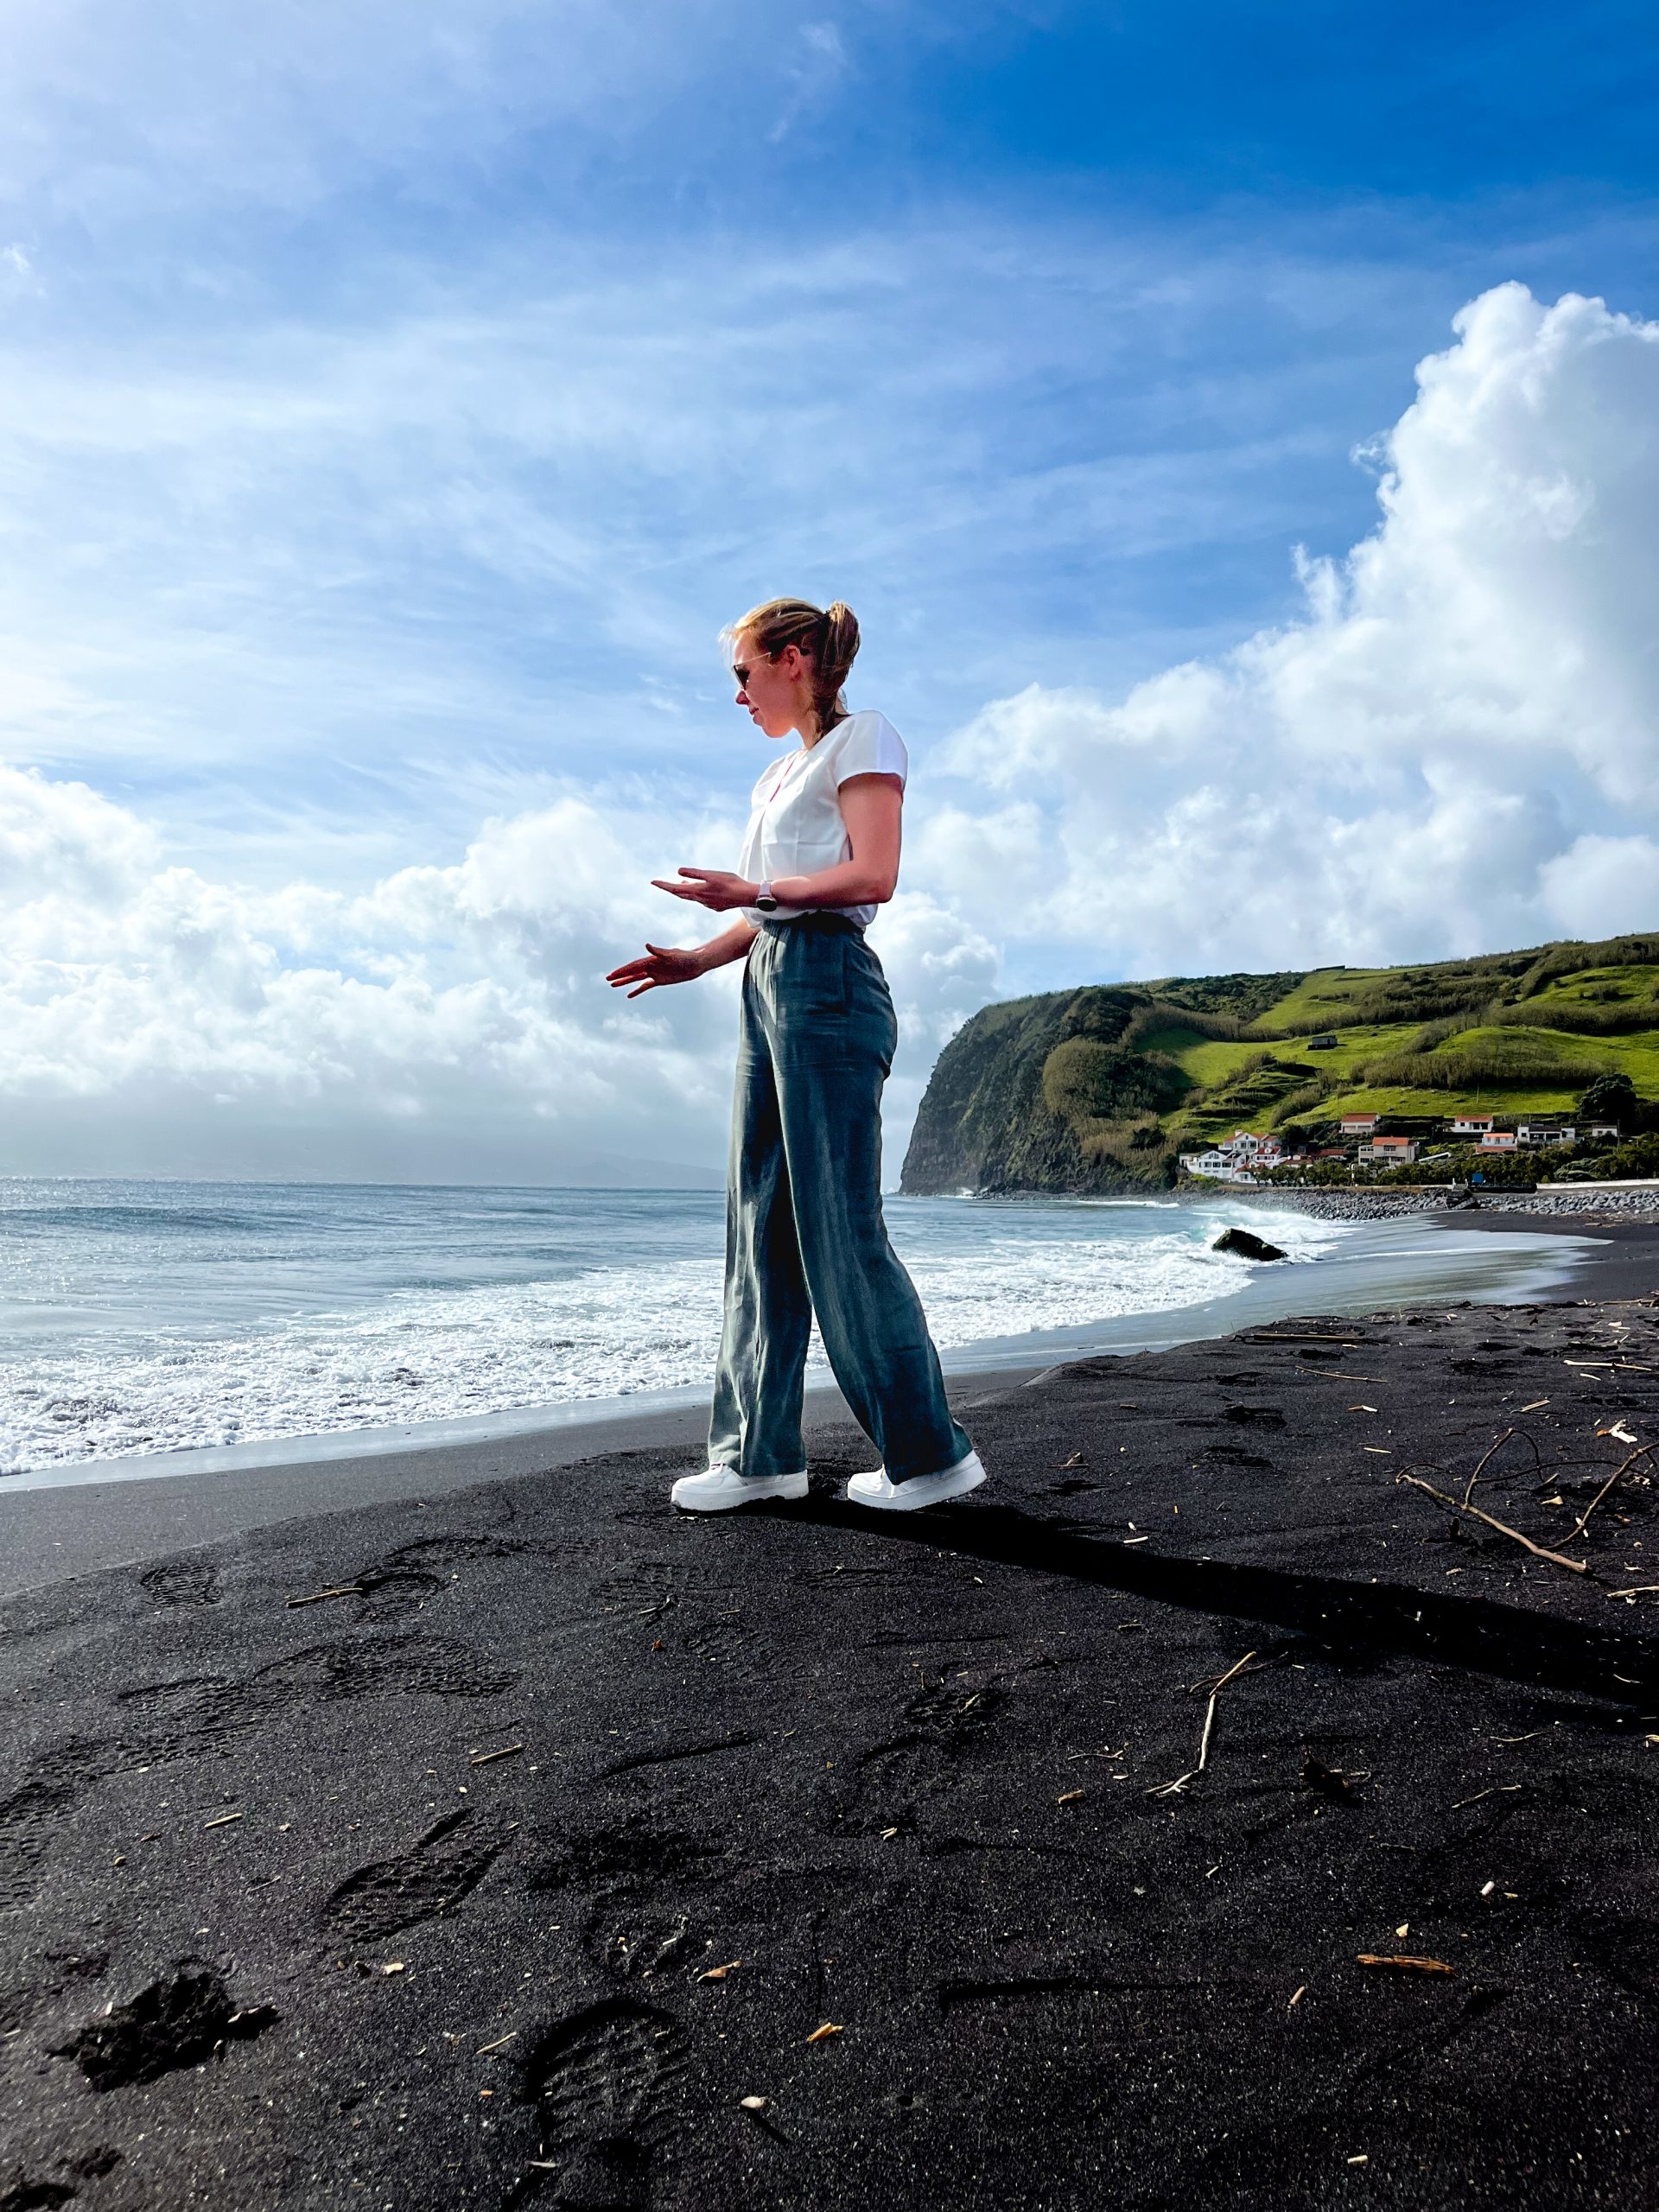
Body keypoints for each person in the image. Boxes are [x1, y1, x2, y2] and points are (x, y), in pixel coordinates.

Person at [605, 595, 987, 1515]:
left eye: (744, 672)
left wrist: (759, 889)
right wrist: (696, 957)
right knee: (760, 1224)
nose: (737, 692)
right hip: (770, 979)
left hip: (829, 983)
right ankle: (758, 1455)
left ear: (796, 657)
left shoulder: (867, 739)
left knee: (838, 1229)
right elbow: (766, 906)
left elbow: (872, 875)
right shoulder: (777, 775)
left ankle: (930, 1459)